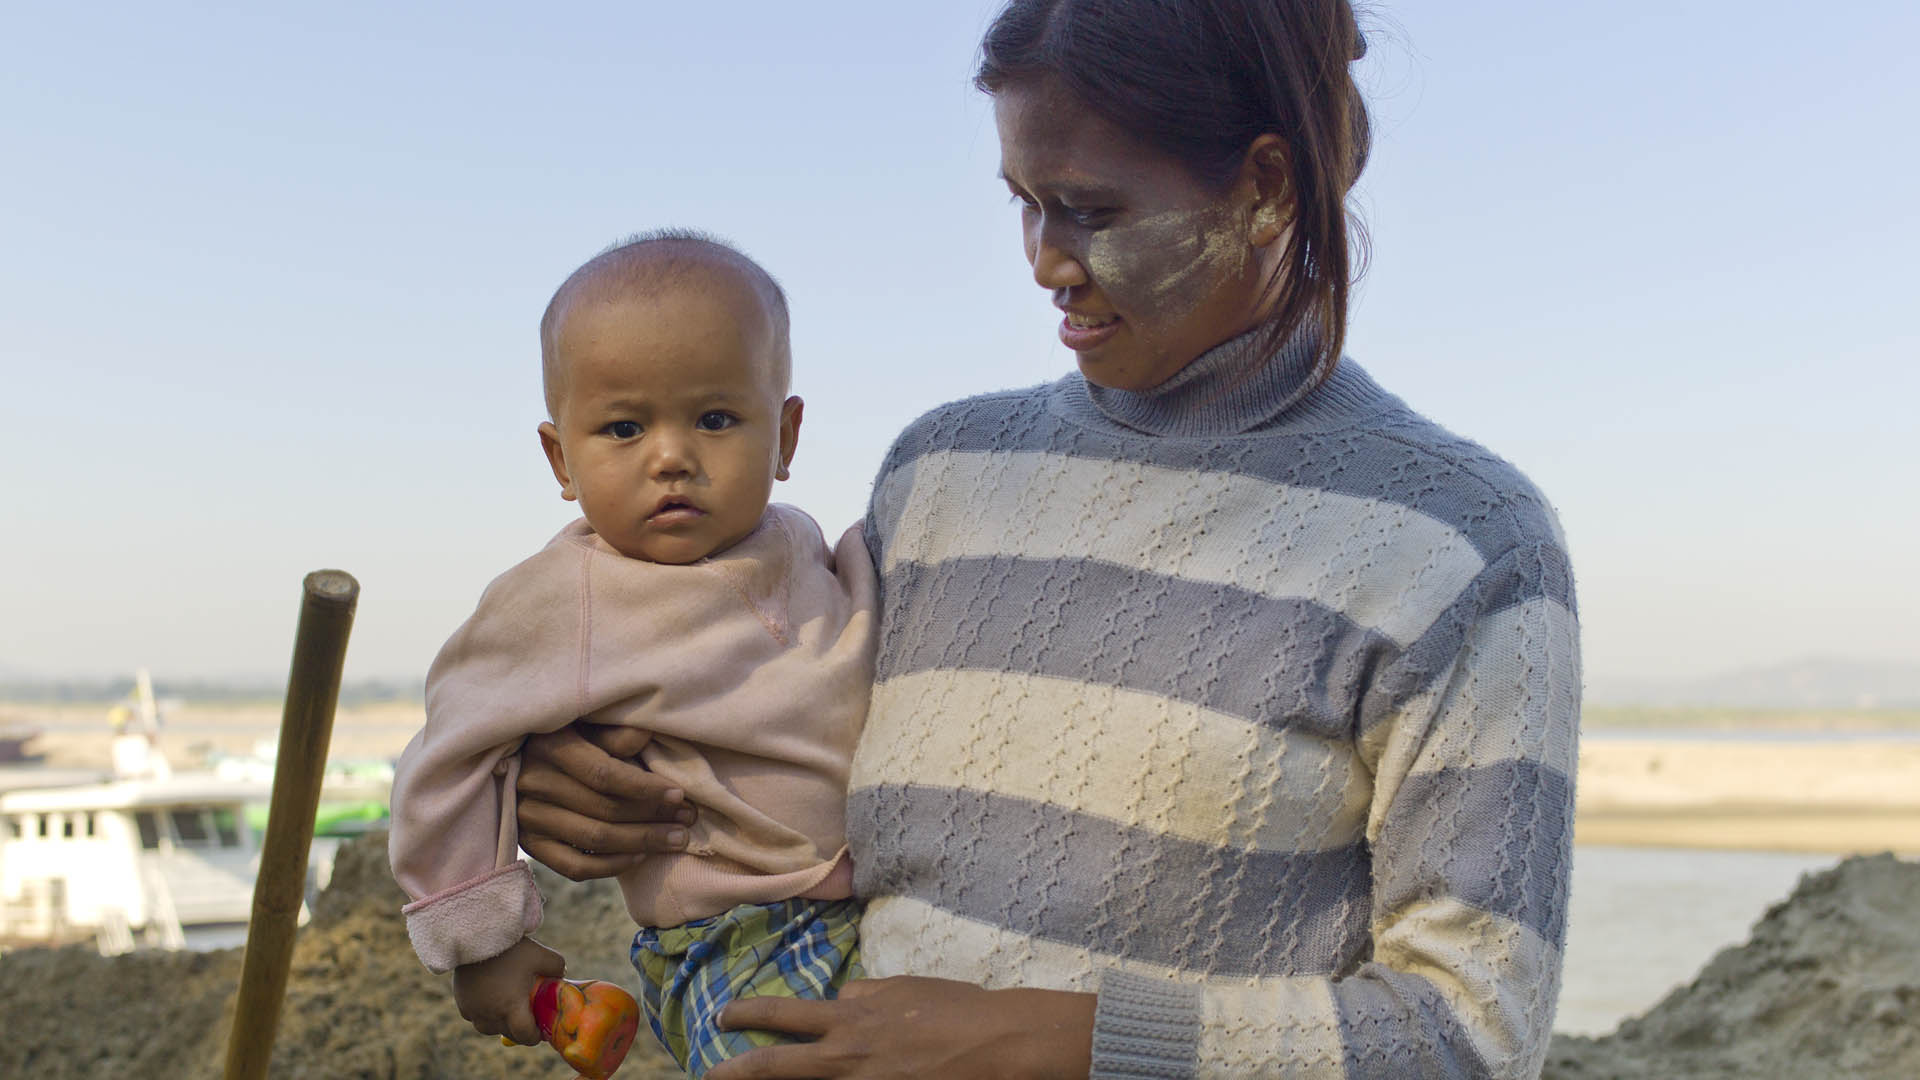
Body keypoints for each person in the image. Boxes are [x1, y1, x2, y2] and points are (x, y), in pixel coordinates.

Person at [515, 1, 1581, 1076]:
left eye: (1086, 208)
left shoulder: (1462, 546)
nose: (1043, 260)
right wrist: (570, 777)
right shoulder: (942, 476)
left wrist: (1057, 1041)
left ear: (1265, 189)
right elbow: (755, 708)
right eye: (1023, 203)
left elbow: (1472, 1033)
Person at [386, 232, 878, 1077]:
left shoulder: (800, 544)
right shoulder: (566, 597)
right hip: (737, 941)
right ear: (561, 458)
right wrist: (481, 941)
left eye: (716, 419)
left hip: (878, 905)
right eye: (622, 427)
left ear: (787, 435)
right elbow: (448, 757)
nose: (671, 456)